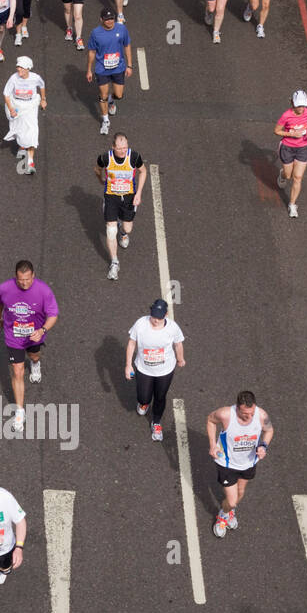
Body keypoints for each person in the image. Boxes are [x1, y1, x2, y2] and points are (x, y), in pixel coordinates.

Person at [0, 260, 58, 432]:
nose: (24, 283)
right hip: (13, 336)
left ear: (33, 276)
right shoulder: (5, 288)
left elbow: (53, 314)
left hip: (34, 335)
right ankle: (20, 412)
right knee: (17, 370)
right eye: (21, 279)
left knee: (34, 356)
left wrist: (42, 329)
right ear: (16, 277)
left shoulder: (43, 291)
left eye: (28, 279)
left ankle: (36, 364)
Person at [207, 391, 274, 537]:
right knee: (231, 501)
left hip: (248, 462)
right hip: (227, 463)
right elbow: (211, 421)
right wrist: (212, 445)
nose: (249, 417)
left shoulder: (261, 415)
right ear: (237, 407)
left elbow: (269, 430)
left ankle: (230, 512)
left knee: (240, 493)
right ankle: (223, 516)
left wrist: (263, 446)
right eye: (245, 414)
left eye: (251, 413)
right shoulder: (225, 414)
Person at [125, 300, 185, 442]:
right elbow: (131, 343)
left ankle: (156, 422)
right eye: (153, 317)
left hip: (165, 370)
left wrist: (180, 359)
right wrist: (128, 365)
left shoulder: (173, 328)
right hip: (144, 369)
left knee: (160, 396)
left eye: (159, 317)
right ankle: (143, 403)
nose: (156, 320)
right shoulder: (140, 324)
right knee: (143, 397)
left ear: (166, 314)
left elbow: (178, 344)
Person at [95, 132, 147, 279]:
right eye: (120, 148)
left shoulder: (134, 157)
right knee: (110, 230)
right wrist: (102, 179)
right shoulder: (105, 157)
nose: (123, 151)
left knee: (127, 228)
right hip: (111, 196)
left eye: (125, 147)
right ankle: (114, 263)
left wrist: (139, 193)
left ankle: (123, 233)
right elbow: (97, 169)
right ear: (113, 147)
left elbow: (143, 171)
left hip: (129, 197)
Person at [87, 6, 132, 135]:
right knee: (103, 95)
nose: (110, 21)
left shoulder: (121, 29)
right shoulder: (96, 33)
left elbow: (127, 45)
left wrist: (129, 65)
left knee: (119, 95)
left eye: (111, 18)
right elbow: (91, 52)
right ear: (101, 20)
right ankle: (105, 120)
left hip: (118, 68)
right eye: (107, 19)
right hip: (102, 69)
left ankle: (112, 100)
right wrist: (89, 70)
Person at [274, 89, 307, 217]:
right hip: (287, 147)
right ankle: (282, 174)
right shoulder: (286, 116)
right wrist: (291, 134)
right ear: (292, 103)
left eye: (303, 105)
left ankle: (292, 205)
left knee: (297, 177)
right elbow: (277, 131)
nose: (301, 108)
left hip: (303, 147)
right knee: (289, 176)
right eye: (299, 105)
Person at [2, 57, 47, 173]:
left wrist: (43, 99)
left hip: (31, 106)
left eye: (22, 67)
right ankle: (22, 145)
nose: (19, 69)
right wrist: (11, 109)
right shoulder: (13, 78)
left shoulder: (35, 78)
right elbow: (6, 94)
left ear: (28, 68)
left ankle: (30, 162)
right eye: (18, 66)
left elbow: (42, 86)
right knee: (19, 129)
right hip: (16, 105)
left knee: (32, 130)